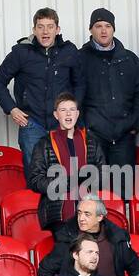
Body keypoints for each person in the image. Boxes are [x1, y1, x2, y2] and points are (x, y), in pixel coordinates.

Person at [0, 8, 86, 174]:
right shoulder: (21, 52)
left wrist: (72, 111)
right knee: (35, 174)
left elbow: (80, 83)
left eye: (50, 26)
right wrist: (11, 108)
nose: (45, 31)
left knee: (66, 173)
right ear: (34, 30)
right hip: (32, 123)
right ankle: (36, 201)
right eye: (40, 27)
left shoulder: (69, 51)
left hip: (61, 123)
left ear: (57, 29)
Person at [79, 9, 139, 167]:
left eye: (108, 25)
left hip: (124, 136)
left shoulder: (129, 59)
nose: (103, 30)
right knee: (94, 189)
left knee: (123, 189)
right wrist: (83, 128)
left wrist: (135, 124)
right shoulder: (80, 59)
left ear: (113, 29)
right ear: (90, 29)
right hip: (92, 137)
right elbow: (72, 96)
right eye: (98, 26)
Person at [28, 93, 109, 233]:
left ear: (77, 114)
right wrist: (65, 182)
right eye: (63, 110)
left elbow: (104, 174)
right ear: (56, 115)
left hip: (89, 214)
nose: (68, 114)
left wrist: (88, 178)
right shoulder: (44, 144)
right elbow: (35, 180)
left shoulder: (91, 141)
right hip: (59, 216)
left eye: (72, 109)